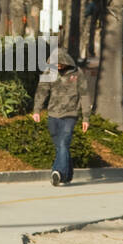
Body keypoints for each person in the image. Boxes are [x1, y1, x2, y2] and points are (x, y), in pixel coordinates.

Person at [31, 47, 89, 186]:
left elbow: (85, 95)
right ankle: (67, 175)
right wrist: (37, 110)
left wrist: (86, 118)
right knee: (60, 147)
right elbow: (42, 91)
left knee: (64, 143)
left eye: (59, 63)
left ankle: (57, 172)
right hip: (53, 113)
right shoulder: (48, 72)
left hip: (70, 114)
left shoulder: (77, 73)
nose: (57, 66)